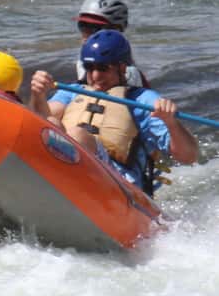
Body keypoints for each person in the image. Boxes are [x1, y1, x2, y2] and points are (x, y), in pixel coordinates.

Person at [30, 29, 198, 194]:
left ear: (123, 68)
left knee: (77, 135)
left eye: (103, 68)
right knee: (52, 124)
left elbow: (188, 156)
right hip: (75, 167)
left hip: (121, 183)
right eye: (89, 67)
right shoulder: (74, 90)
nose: (95, 76)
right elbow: (43, 119)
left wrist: (171, 122)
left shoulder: (142, 100)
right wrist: (38, 95)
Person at [75, 0, 147, 87]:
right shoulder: (83, 60)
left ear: (116, 29)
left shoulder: (130, 74)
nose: (87, 35)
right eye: (83, 26)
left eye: (94, 28)